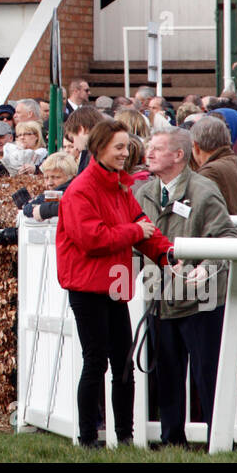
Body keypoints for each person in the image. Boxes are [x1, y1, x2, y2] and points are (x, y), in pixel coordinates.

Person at [58, 119, 175, 447]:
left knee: (123, 364)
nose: (126, 153)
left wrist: (167, 254)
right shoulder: (80, 190)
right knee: (95, 362)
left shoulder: (120, 187)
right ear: (99, 149)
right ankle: (88, 438)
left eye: (127, 147)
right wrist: (138, 233)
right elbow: (92, 238)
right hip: (86, 287)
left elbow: (143, 225)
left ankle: (124, 437)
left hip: (112, 285)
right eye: (119, 147)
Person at [137, 128, 237, 444]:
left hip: (201, 300)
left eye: (157, 148)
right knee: (166, 372)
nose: (149, 153)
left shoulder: (203, 190)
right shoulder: (142, 193)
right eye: (149, 148)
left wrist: (205, 268)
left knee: (207, 374)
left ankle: (218, 439)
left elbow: (228, 238)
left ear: (179, 155)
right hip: (160, 297)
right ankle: (171, 439)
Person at [21, 151, 77, 222]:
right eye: (46, 178)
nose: (49, 183)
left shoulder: (60, 194)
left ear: (72, 177)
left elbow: (28, 210)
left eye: (56, 177)